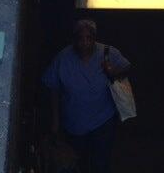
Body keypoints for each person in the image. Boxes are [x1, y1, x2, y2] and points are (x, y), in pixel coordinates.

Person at [43, 20, 132, 173]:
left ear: (94, 38)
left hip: (103, 121)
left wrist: (112, 72)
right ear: (74, 39)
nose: (84, 42)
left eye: (89, 38)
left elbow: (126, 67)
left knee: (101, 163)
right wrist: (55, 122)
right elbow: (52, 88)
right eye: (80, 38)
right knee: (78, 163)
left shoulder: (107, 53)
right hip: (75, 124)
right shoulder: (63, 58)